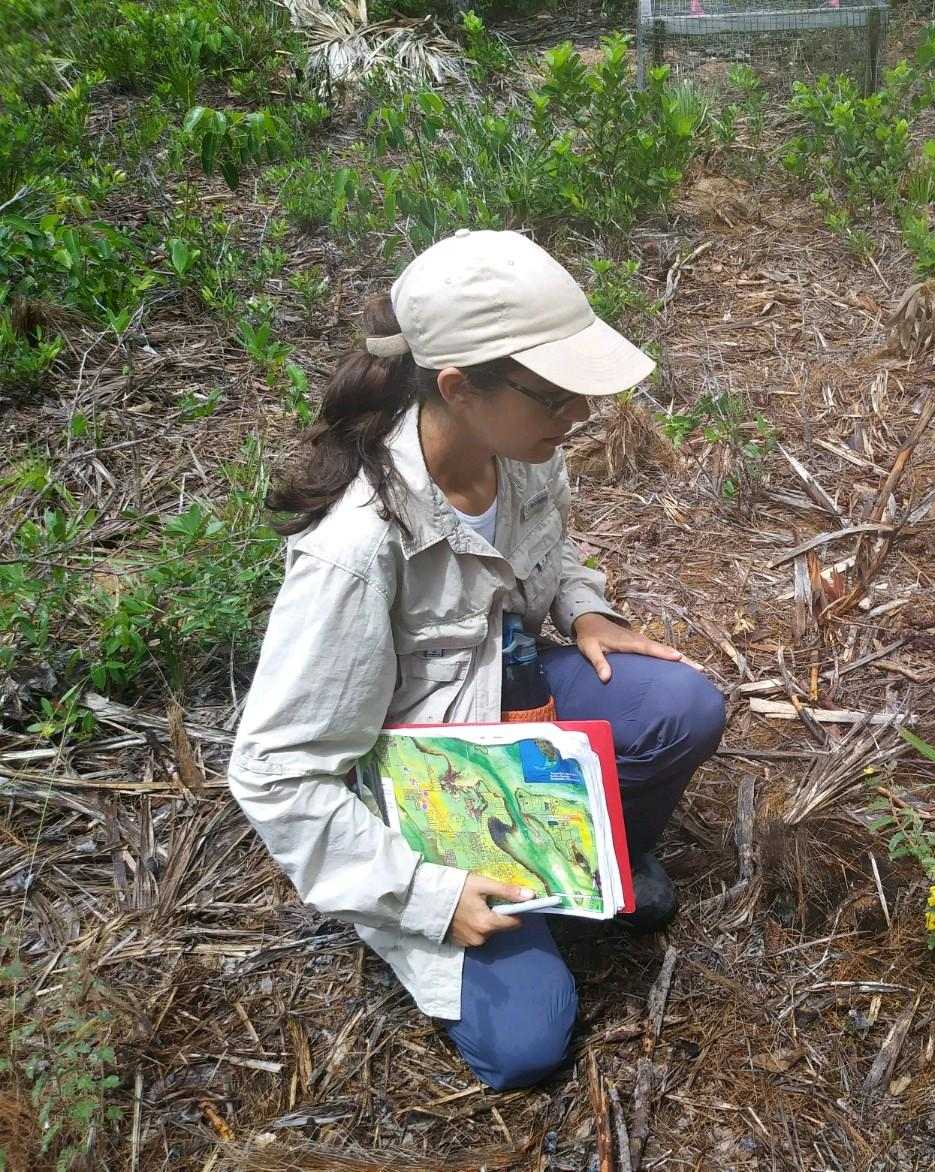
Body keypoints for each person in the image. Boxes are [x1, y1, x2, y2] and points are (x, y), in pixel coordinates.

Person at [227, 229, 725, 1090]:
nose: (580, 415)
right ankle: (486, 899)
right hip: (426, 793)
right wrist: (425, 894)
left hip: (511, 703)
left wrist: (585, 608)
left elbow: (554, 548)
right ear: (458, 388)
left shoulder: (520, 455)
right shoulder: (356, 549)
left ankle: (596, 862)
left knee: (681, 707)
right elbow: (275, 772)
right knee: (528, 1044)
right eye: (557, 396)